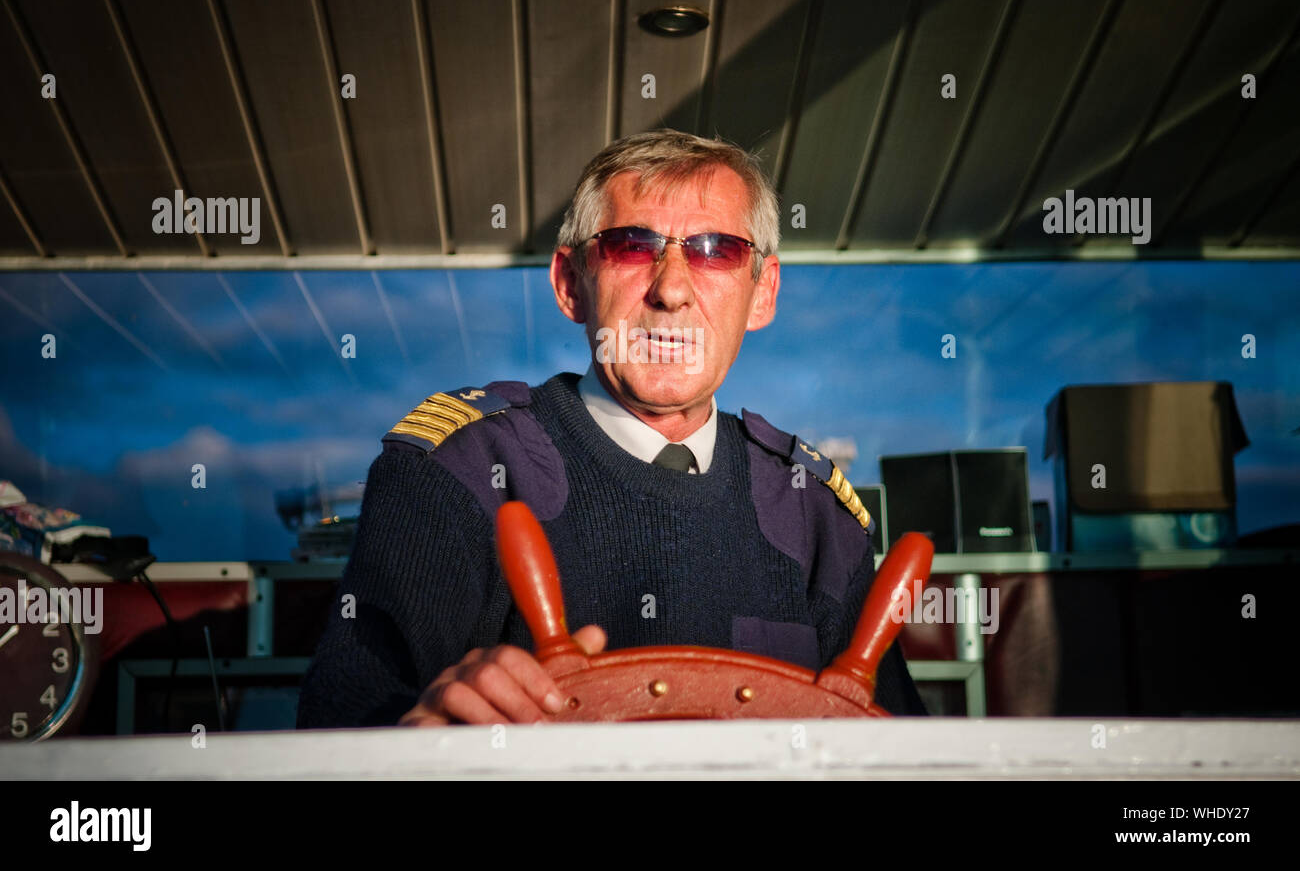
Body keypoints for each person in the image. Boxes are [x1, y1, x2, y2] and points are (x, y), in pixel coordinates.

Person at [297, 129, 926, 727]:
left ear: (762, 292)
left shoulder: (815, 512)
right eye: (632, 245)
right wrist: (421, 728)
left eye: (717, 250)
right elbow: (338, 731)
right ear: (571, 285)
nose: (672, 289)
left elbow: (905, 756)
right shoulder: (459, 471)